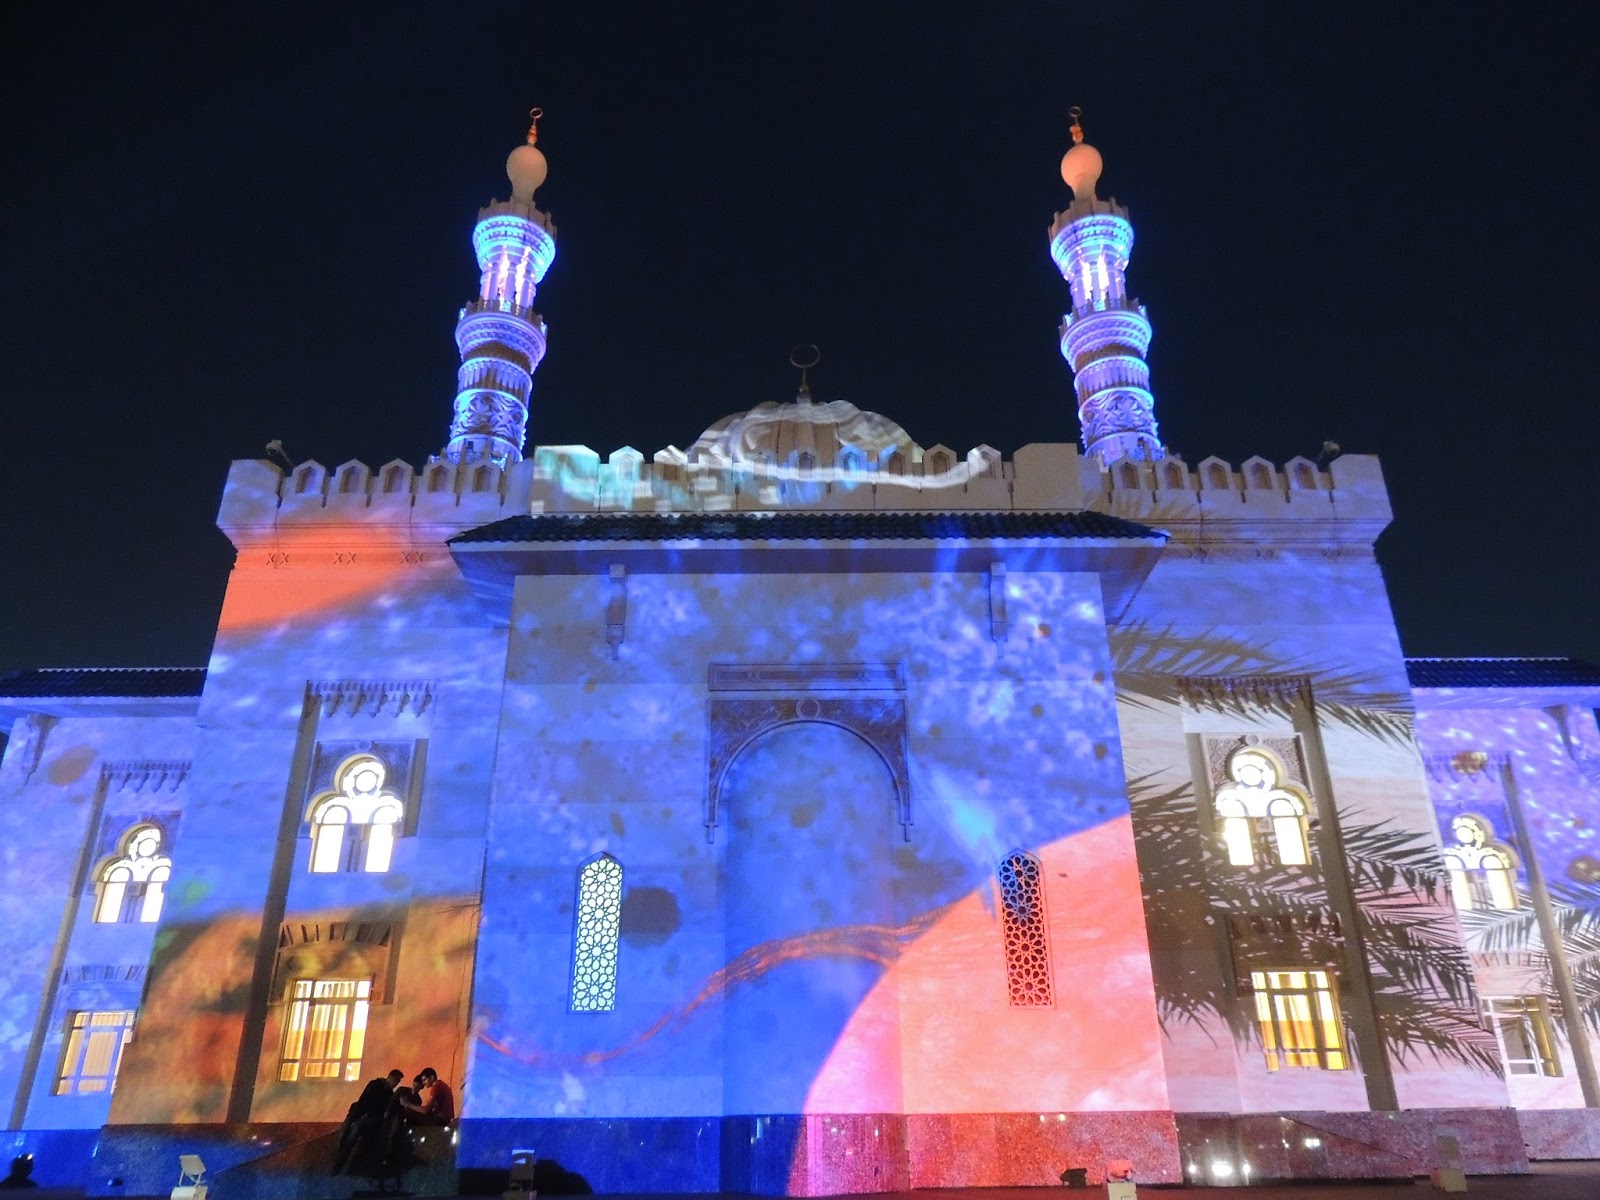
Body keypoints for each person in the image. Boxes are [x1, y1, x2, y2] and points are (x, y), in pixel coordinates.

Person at [332, 1069, 403, 1175]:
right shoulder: (376, 1085)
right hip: (365, 1116)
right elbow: (364, 1101)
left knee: (352, 1133)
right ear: (390, 1077)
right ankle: (339, 1163)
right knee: (349, 1133)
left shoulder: (386, 1091)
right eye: (396, 1080)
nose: (396, 1083)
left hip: (369, 1118)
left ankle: (339, 1164)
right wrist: (362, 1115)